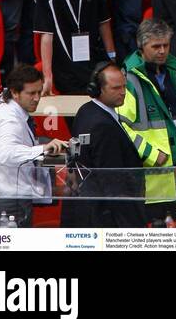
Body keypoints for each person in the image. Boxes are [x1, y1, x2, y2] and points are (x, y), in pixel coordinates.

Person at [119, 19, 176, 220]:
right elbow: (122, 126)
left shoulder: (174, 72)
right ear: (141, 46)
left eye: (166, 46)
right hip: (150, 178)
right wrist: (151, 154)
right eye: (156, 46)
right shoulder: (130, 79)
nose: (162, 51)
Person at [0, 65, 68, 227]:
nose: (36, 98)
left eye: (39, 92)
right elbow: (6, 154)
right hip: (9, 200)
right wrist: (43, 148)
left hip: (4, 194)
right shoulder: (9, 120)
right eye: (31, 93)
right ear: (14, 92)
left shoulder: (2, 111)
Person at [62, 63, 146, 228]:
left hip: (88, 211)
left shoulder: (85, 111)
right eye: (116, 88)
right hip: (105, 218)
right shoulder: (103, 126)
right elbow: (112, 181)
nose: (123, 92)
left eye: (124, 86)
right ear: (97, 89)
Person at [35, 0, 115, 95]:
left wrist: (112, 56)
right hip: (65, 64)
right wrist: (48, 76)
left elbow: (104, 22)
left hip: (94, 59)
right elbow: (46, 35)